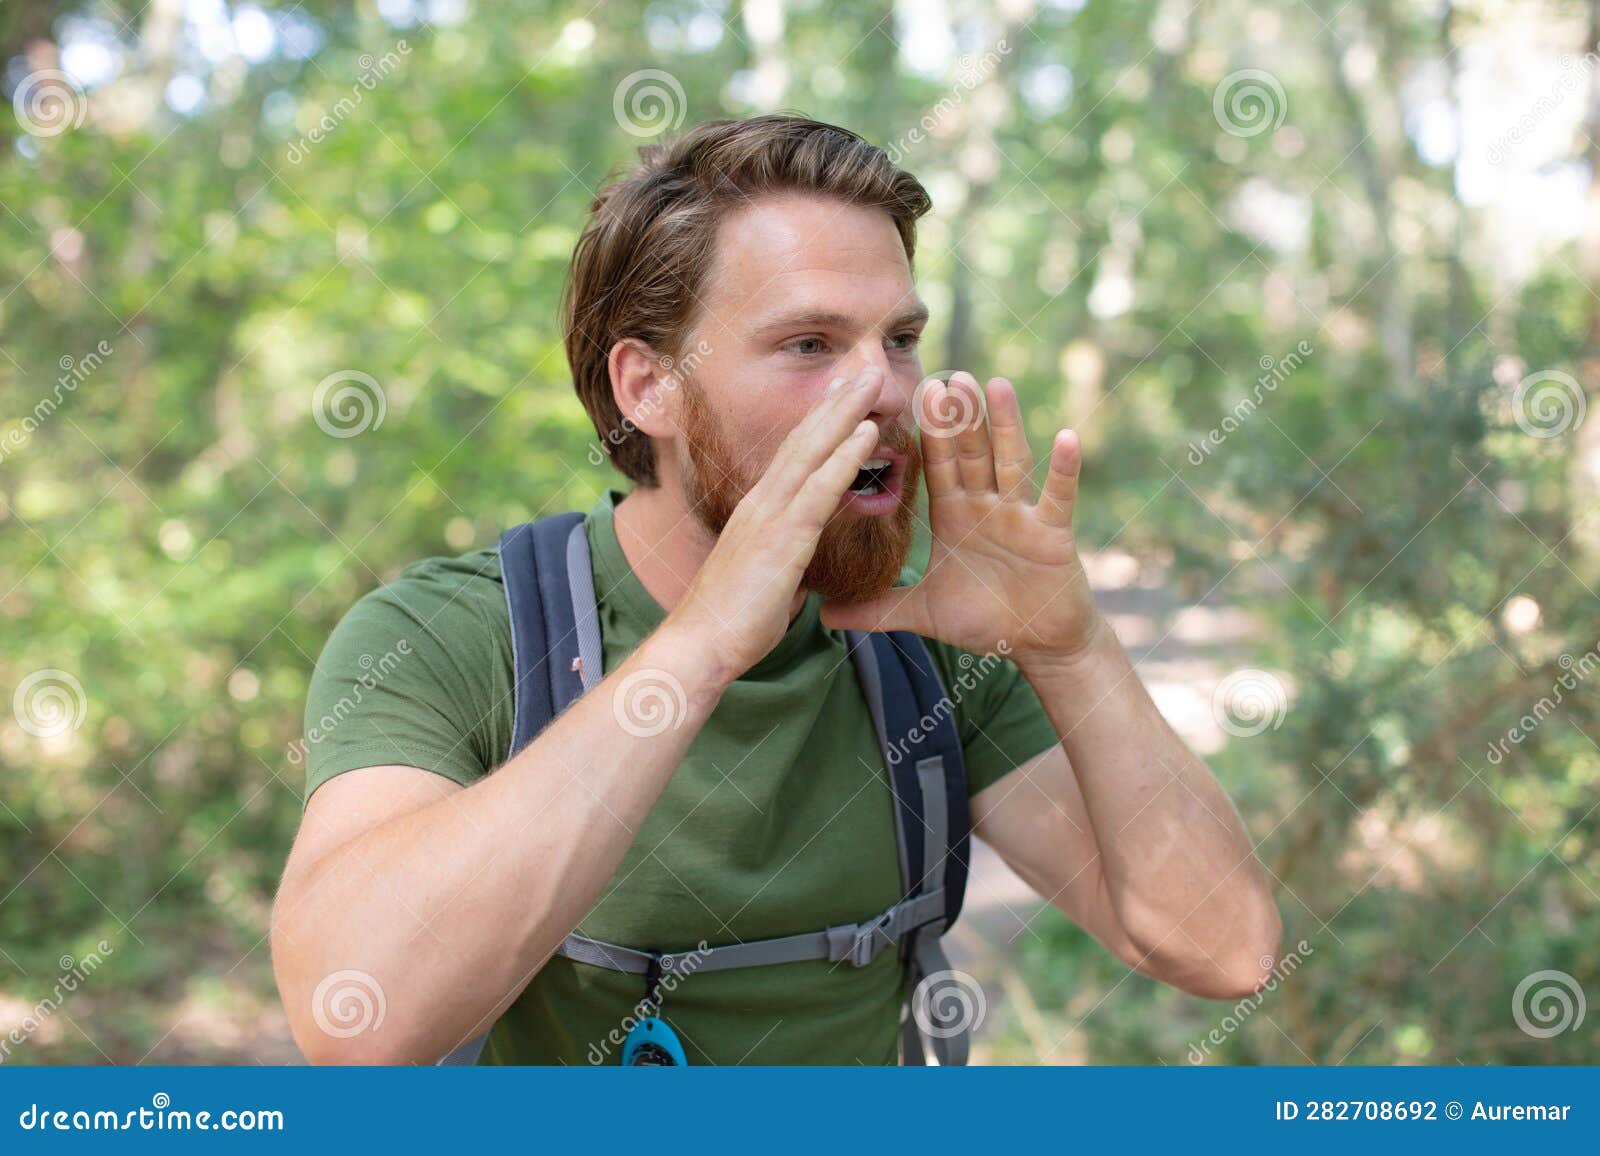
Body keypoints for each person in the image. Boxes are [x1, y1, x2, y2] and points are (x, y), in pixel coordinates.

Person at [271, 114, 1280, 1065]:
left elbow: (1223, 950)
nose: (886, 390)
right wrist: (702, 647)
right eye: (809, 346)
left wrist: (1070, 647)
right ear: (648, 387)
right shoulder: (452, 634)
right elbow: (355, 1022)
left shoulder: (929, 647)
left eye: (898, 339)